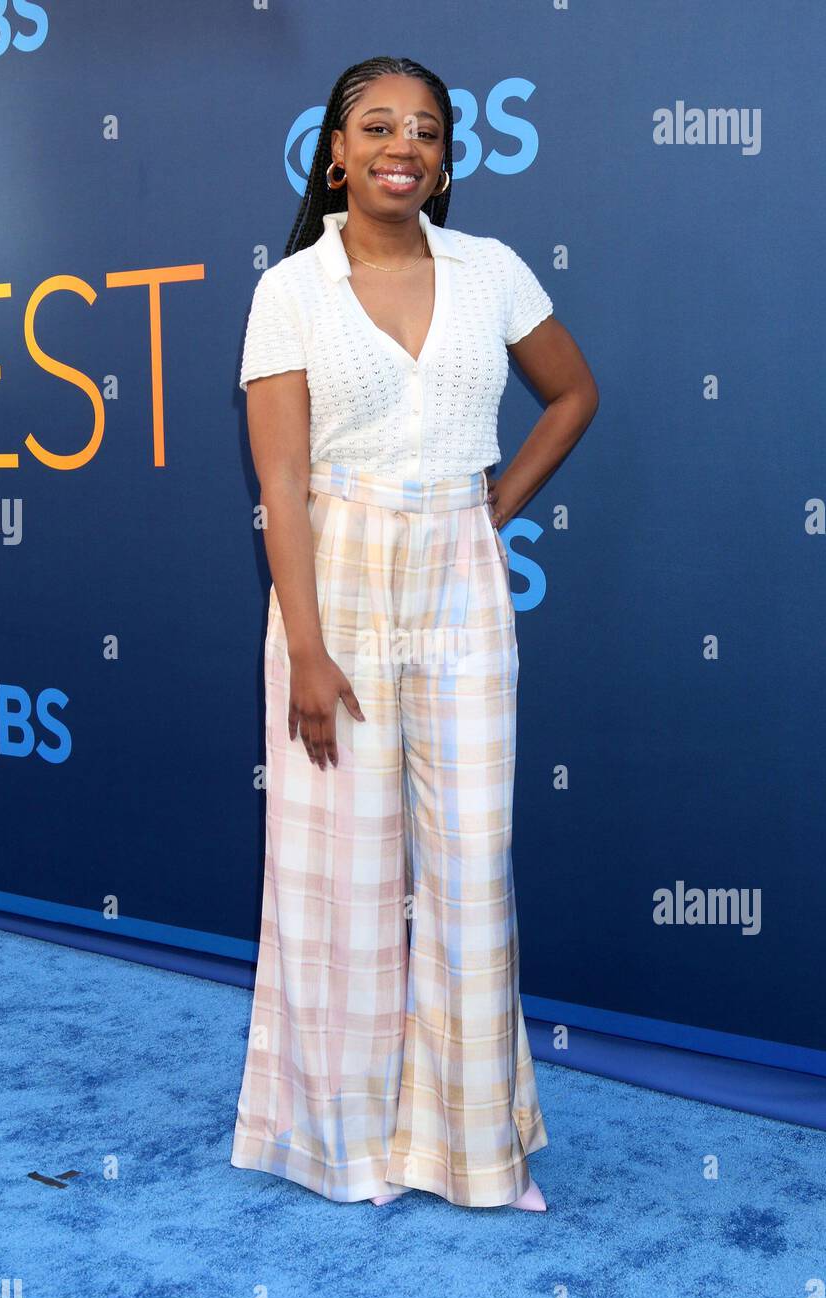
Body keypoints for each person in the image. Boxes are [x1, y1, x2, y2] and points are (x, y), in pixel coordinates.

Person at [230, 55, 599, 1212]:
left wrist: (485, 512)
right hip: (330, 583)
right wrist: (306, 642)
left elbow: (572, 393)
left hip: (457, 577)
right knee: (332, 866)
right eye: (377, 125)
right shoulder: (289, 287)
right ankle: (339, 1140)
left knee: (467, 864)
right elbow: (281, 482)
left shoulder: (490, 272)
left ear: (444, 161)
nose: (404, 143)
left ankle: (470, 1147)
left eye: (427, 129)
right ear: (334, 152)